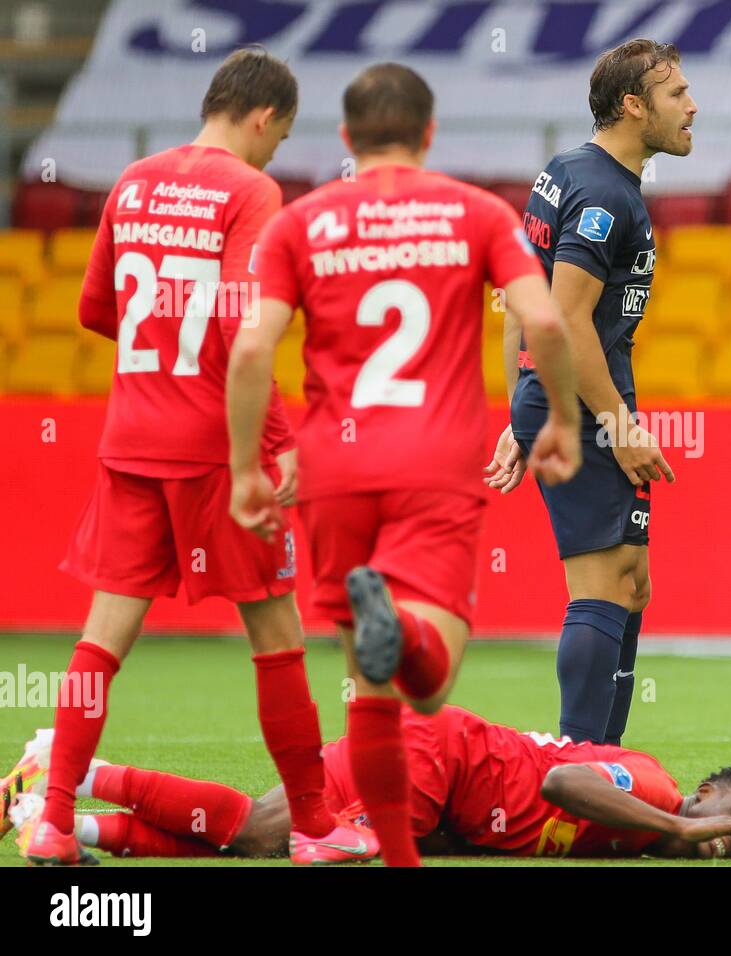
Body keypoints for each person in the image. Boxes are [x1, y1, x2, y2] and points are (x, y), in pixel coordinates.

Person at [226, 63, 580, 866]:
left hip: (334, 473)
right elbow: (547, 324)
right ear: (429, 133)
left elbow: (252, 349)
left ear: (346, 139)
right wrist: (559, 420)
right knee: (427, 682)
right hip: (434, 464)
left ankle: (397, 857)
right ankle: (407, 626)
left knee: (370, 697)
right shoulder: (477, 212)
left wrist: (248, 467)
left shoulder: (302, 222)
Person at [28, 48, 373, 866]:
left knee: (100, 639)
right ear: (262, 118)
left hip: (130, 443)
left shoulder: (133, 180)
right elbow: (242, 334)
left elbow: (94, 308)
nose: (274, 155)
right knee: (276, 634)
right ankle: (317, 828)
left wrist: (160, 355)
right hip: (217, 450)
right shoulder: (251, 191)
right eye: (280, 139)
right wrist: (279, 447)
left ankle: (49, 818)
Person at [483, 38, 697, 747]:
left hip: (566, 397)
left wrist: (524, 401)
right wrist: (618, 424)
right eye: (676, 96)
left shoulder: (566, 170)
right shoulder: (605, 193)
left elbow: (523, 296)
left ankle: (607, 763)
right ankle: (577, 770)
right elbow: (568, 318)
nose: (692, 107)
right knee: (603, 587)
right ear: (634, 106)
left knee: (632, 583)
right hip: (586, 407)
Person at [3, 708, 731, 862]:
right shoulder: (652, 790)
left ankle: (73, 823)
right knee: (268, 834)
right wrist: (679, 828)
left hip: (441, 780)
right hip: (436, 759)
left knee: (259, 840)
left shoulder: (637, 842)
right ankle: (69, 765)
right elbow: (566, 784)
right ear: (707, 791)